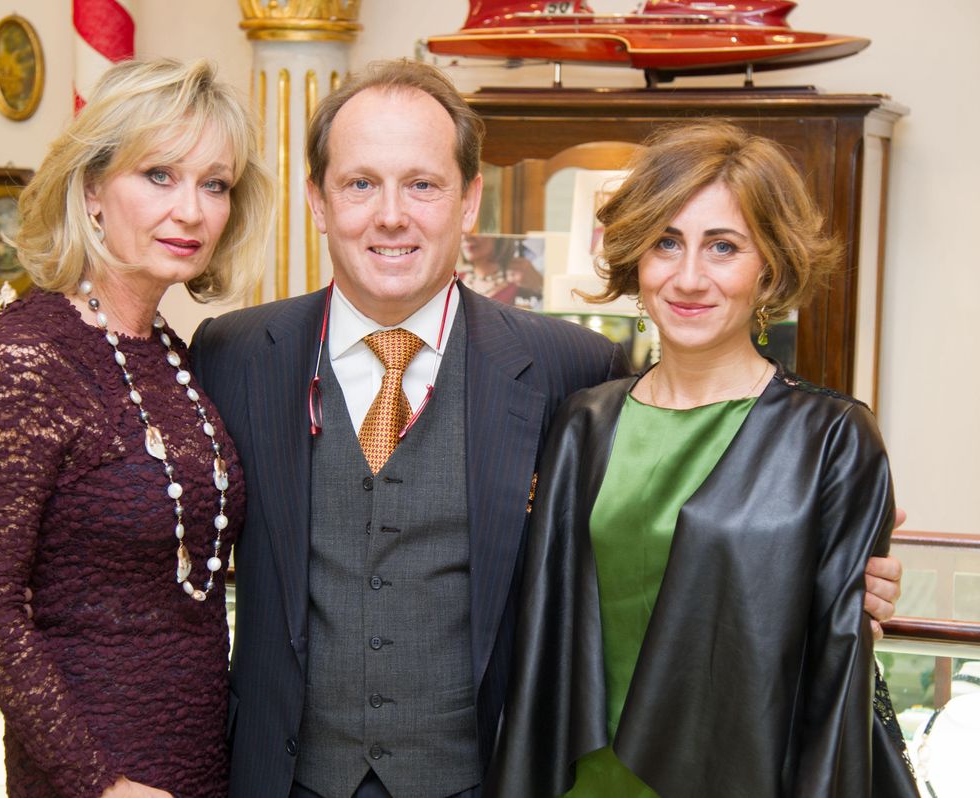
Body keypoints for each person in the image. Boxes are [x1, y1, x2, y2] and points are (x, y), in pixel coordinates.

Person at [190, 61, 903, 798]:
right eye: (360, 183)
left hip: (494, 775)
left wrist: (836, 575)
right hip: (280, 779)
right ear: (318, 199)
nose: (391, 214)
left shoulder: (574, 369)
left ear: (469, 201)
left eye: (424, 184)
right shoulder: (232, 356)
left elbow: (654, 543)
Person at [486, 122, 918, 797]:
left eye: (723, 247)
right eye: (666, 243)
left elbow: (838, 678)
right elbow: (542, 645)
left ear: (768, 266)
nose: (689, 277)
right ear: (636, 257)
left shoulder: (832, 438)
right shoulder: (585, 423)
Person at [0, 58, 272, 798]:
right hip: (91, 767)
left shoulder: (170, 352)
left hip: (197, 750)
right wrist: (98, 782)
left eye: (214, 184)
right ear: (91, 189)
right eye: (159, 174)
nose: (191, 210)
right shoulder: (28, 357)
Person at [458, 234, 543, 307]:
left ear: (497, 235)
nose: (466, 237)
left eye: (476, 230)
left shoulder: (523, 281)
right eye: (463, 228)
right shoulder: (454, 281)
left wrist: (539, 286)